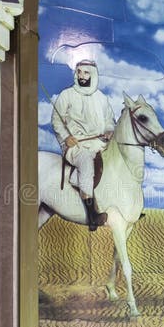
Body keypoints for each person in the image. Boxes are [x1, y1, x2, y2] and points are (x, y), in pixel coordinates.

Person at [51, 60, 115, 230]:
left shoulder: (101, 98)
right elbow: (56, 120)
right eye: (79, 72)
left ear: (92, 74)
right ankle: (92, 215)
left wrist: (109, 131)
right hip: (76, 146)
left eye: (85, 72)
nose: (81, 76)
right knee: (86, 161)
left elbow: (110, 122)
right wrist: (66, 137)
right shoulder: (67, 95)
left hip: (99, 143)